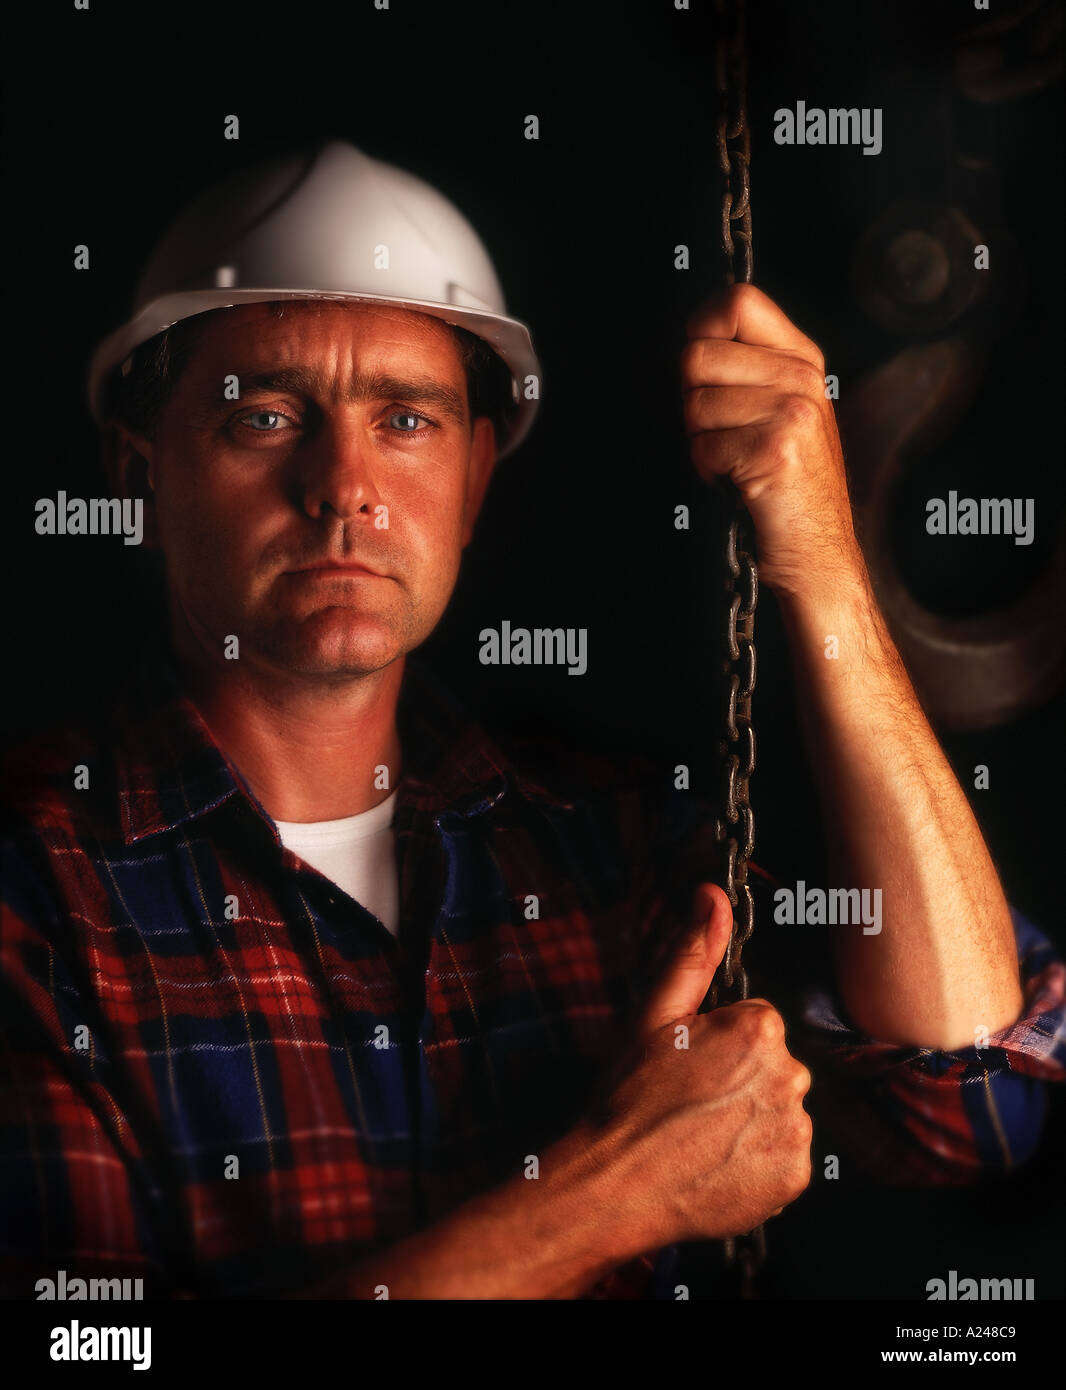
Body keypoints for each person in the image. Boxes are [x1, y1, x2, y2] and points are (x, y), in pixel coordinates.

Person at [2, 141, 1063, 1301]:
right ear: (135, 477)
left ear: (475, 483)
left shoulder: (599, 841)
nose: (343, 483)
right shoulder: (37, 902)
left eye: (405, 421)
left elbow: (968, 1098)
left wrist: (820, 560)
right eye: (263, 416)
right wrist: (610, 1196)